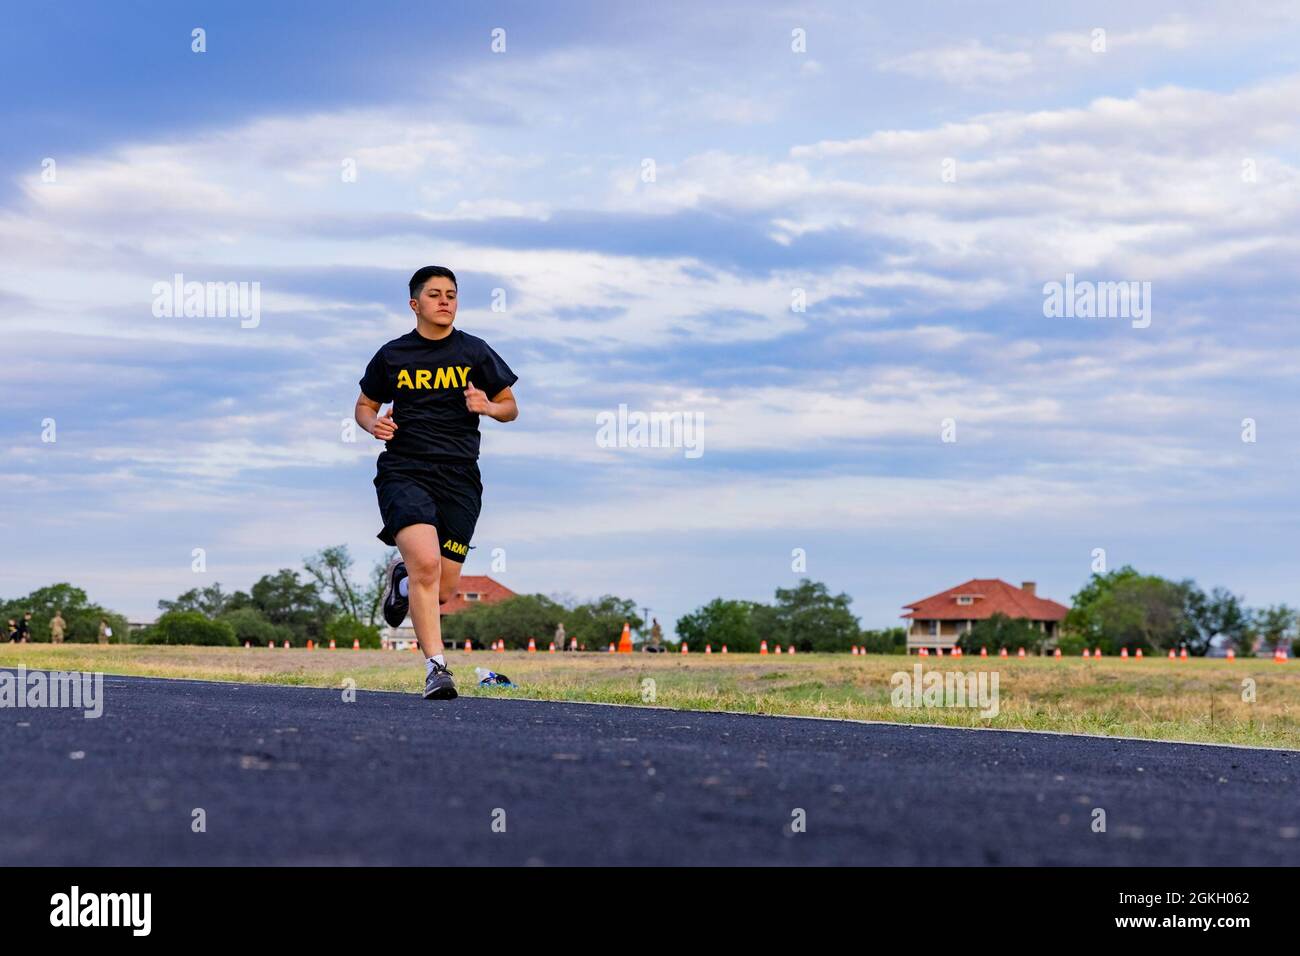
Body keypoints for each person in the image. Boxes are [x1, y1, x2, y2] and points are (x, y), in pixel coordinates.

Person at [355, 266, 519, 700]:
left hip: (461, 478)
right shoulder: (392, 355)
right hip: (404, 471)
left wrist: (487, 405)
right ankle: (437, 668)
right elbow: (364, 405)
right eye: (434, 294)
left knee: (443, 588)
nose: (445, 301)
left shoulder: (475, 351)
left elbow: (510, 406)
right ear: (415, 304)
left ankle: (403, 582)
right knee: (428, 564)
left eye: (451, 294)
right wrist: (374, 424)